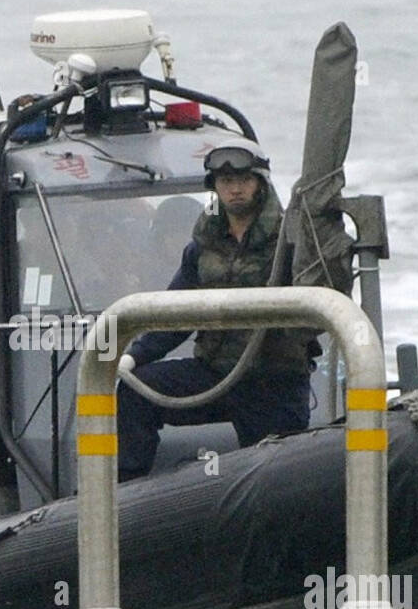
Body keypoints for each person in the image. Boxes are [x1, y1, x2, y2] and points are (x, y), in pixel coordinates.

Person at [115, 140, 354, 481]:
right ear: (215, 188)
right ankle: (126, 496)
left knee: (275, 481)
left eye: (243, 180)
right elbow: (173, 313)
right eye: (226, 182)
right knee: (134, 392)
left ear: (259, 183)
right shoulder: (203, 246)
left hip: (273, 380)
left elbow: (322, 295)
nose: (235, 189)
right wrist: (134, 356)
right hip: (215, 373)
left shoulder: (292, 240)